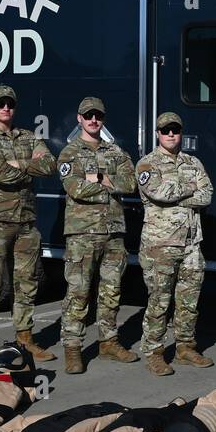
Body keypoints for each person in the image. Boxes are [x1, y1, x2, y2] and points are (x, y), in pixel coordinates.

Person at [0, 85, 56, 369]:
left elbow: (51, 165)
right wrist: (29, 163)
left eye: (10, 103)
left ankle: (25, 339)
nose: (6, 107)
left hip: (26, 222)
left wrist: (16, 161)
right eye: (0, 103)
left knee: (27, 283)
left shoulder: (28, 136)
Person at [56, 96, 137, 374]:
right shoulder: (70, 153)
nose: (93, 120)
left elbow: (130, 183)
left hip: (113, 232)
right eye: (88, 115)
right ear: (79, 118)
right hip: (82, 234)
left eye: (98, 116)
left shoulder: (116, 152)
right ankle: (73, 348)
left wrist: (98, 179)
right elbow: (74, 188)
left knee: (111, 291)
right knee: (78, 293)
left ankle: (109, 342)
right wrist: (108, 182)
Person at [136, 111, 214, 375]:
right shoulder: (147, 164)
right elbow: (160, 193)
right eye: (166, 130)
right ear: (157, 133)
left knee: (188, 301)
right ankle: (155, 352)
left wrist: (182, 194)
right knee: (159, 301)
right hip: (161, 245)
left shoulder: (193, 161)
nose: (171, 134)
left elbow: (207, 195)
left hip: (192, 244)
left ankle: (185, 347)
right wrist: (190, 188)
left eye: (175, 130)